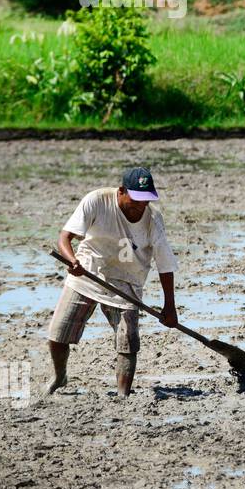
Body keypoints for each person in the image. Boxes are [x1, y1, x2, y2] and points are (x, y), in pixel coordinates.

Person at [46, 167, 179, 395]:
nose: (141, 206)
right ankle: (60, 376)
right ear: (121, 191)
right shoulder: (97, 200)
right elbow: (65, 237)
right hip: (87, 273)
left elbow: (165, 265)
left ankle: (123, 394)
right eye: (136, 200)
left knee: (128, 343)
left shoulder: (153, 219)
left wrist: (170, 306)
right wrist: (73, 261)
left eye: (146, 200)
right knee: (58, 335)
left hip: (128, 281)